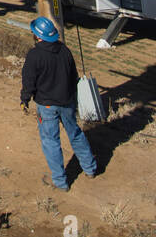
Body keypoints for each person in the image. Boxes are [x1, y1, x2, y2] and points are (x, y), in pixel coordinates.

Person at [20, 17, 98, 190]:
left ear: (37, 36)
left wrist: (24, 99)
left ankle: (60, 182)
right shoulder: (65, 51)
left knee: (51, 141)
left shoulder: (35, 55)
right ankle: (90, 168)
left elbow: (29, 81)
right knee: (76, 134)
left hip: (47, 105)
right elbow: (73, 77)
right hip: (67, 102)